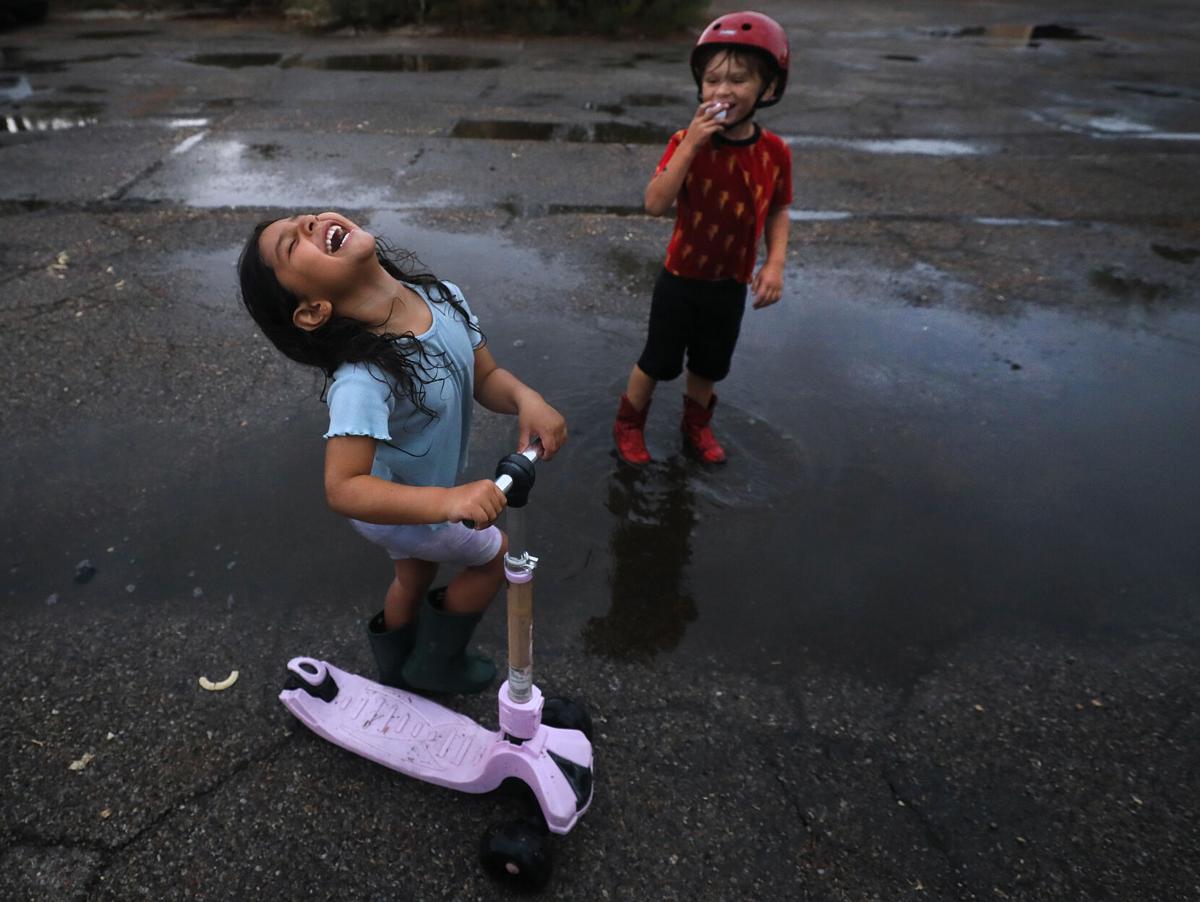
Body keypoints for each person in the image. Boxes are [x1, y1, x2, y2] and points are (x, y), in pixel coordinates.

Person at [238, 212, 566, 695]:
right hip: (397, 507)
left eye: (305, 217)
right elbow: (343, 487)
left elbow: (487, 378)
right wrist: (449, 503)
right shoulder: (364, 377)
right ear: (311, 311)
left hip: (415, 502)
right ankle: (435, 663)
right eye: (292, 244)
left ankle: (397, 673)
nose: (311, 222)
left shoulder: (442, 297)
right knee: (497, 557)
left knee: (414, 577)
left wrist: (525, 399)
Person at [613, 10, 792, 465]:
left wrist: (773, 264)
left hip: (729, 284)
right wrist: (691, 145)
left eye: (738, 79)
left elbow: (778, 208)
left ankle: (696, 425)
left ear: (768, 89)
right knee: (657, 362)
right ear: (699, 86)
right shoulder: (684, 142)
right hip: (682, 279)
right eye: (712, 80)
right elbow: (654, 203)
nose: (723, 91)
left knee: (708, 367)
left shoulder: (774, 153)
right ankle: (630, 424)